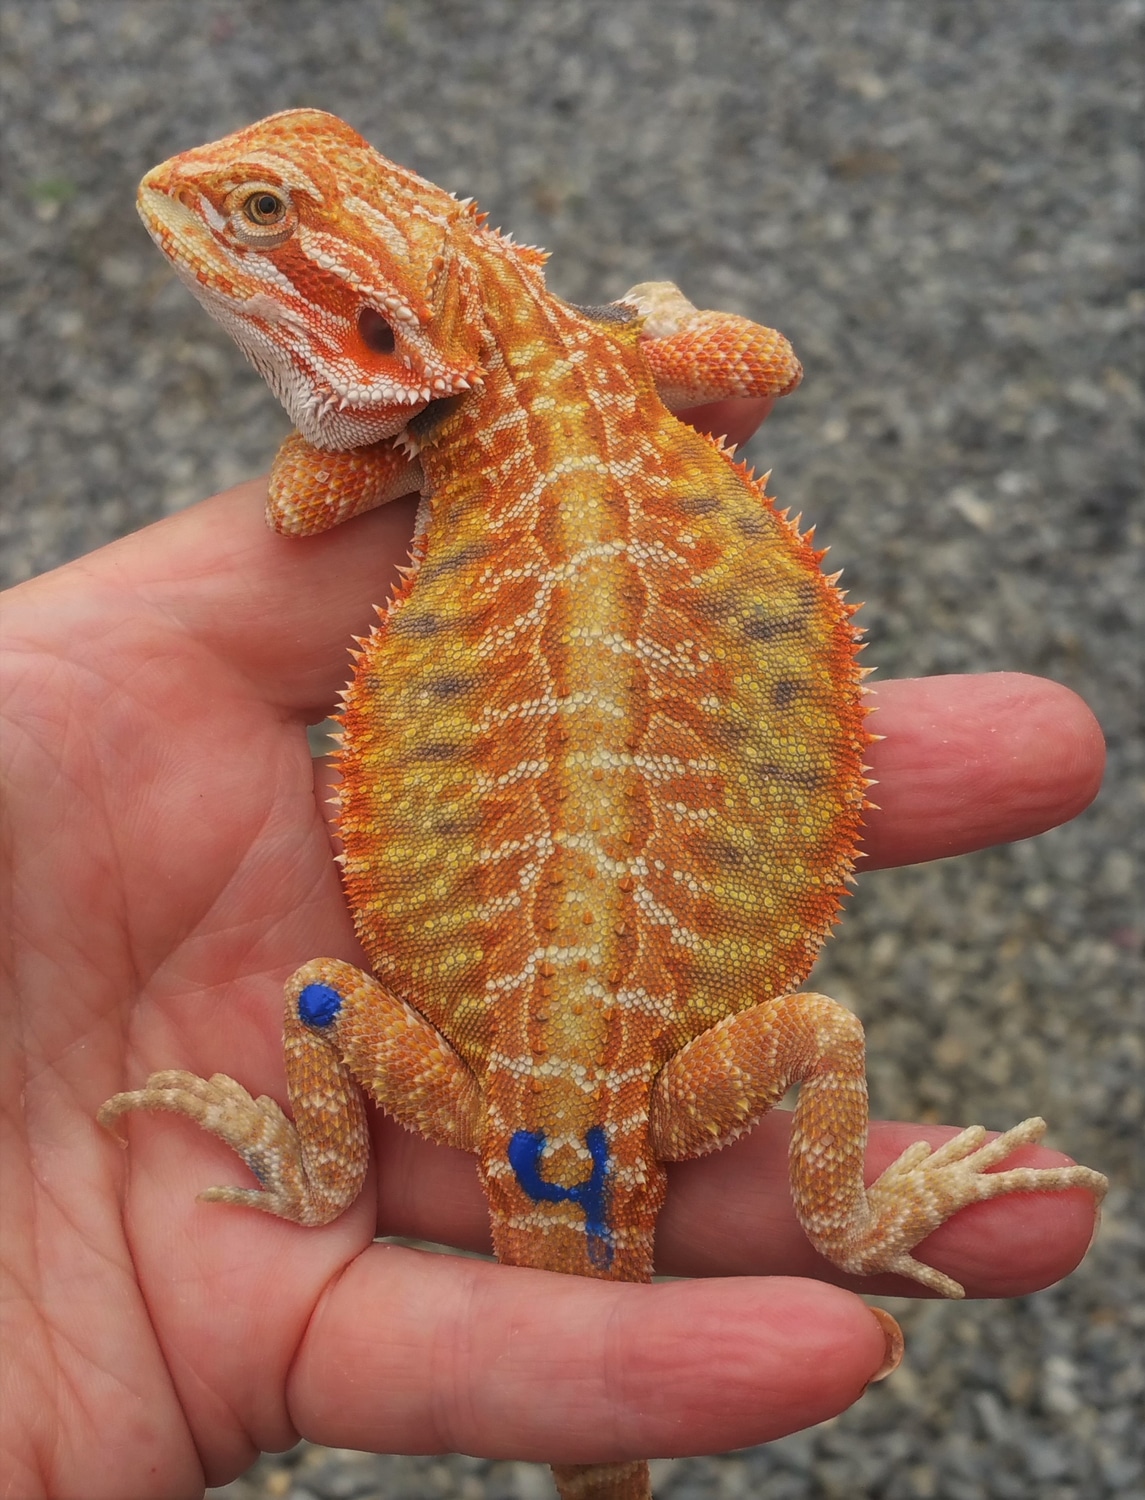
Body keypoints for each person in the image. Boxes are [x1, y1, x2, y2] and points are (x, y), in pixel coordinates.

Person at [0, 398, 1105, 1497]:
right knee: (812, 1029)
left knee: (322, 998)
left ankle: (317, 1177)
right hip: (621, 1100)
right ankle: (845, 1226)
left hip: (494, 1096)